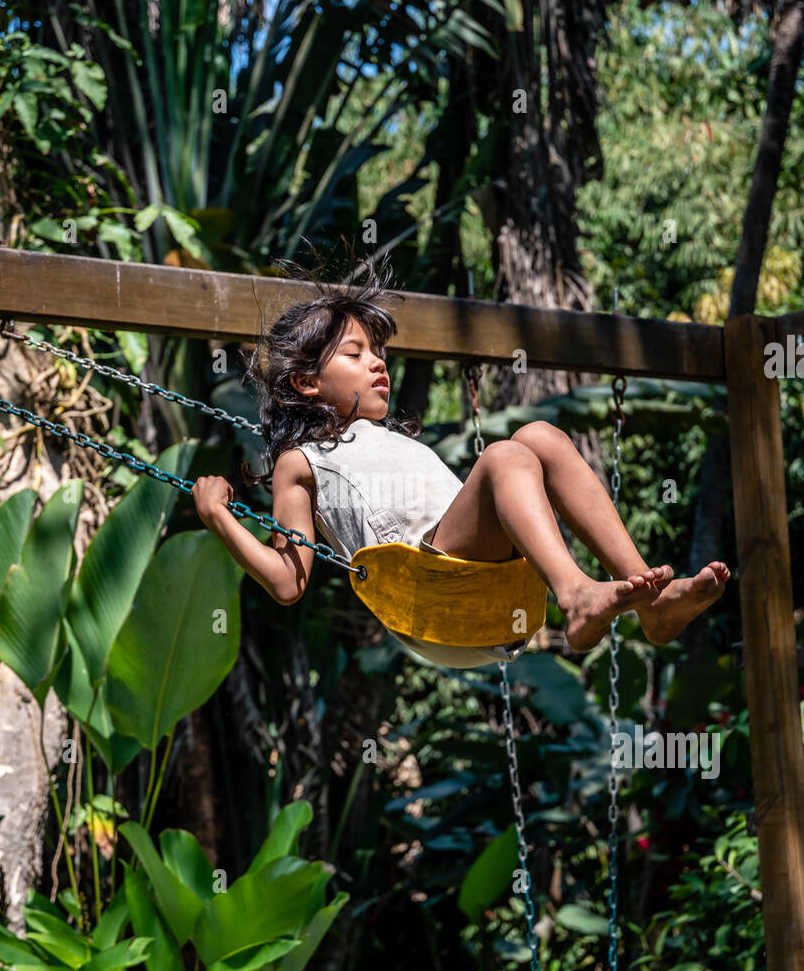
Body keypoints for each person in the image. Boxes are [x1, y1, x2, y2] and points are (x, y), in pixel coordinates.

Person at [191, 262, 729, 667]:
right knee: (504, 455)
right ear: (306, 383)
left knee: (539, 434)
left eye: (378, 352)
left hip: (485, 587)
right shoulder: (298, 461)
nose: (377, 362)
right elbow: (288, 582)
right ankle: (575, 595)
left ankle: (647, 598)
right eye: (354, 355)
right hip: (430, 597)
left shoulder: (383, 438)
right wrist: (220, 517)